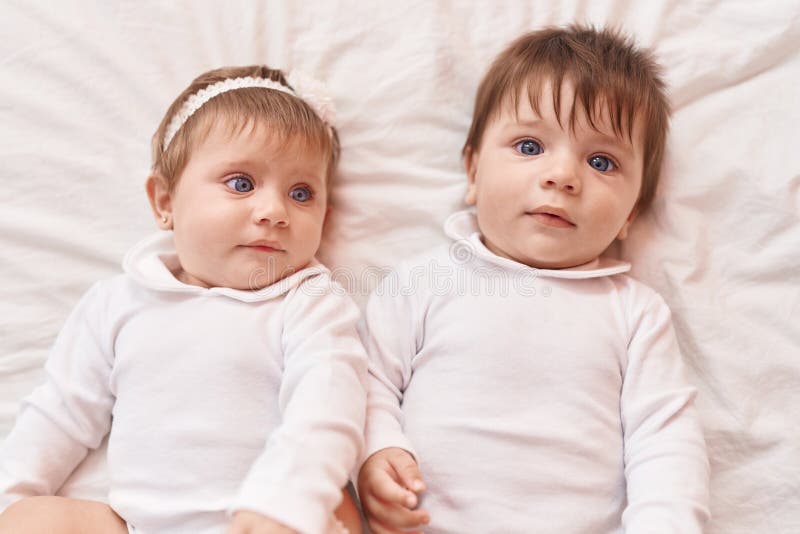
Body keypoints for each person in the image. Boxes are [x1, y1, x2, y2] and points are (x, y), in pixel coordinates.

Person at [356, 25, 710, 533]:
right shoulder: (425, 282)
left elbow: (666, 437)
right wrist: (378, 449)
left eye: (601, 161)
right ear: (473, 172)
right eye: (529, 146)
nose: (562, 175)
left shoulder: (634, 312)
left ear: (632, 213)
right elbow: (366, 382)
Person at [0, 65, 367, 534]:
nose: (274, 212)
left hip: (277, 512)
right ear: (165, 202)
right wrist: (12, 500)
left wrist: (291, 498)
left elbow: (327, 401)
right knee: (35, 520)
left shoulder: (310, 302)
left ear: (325, 217)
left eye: (301, 193)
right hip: (142, 524)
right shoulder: (119, 303)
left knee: (336, 513)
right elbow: (61, 412)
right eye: (241, 183)